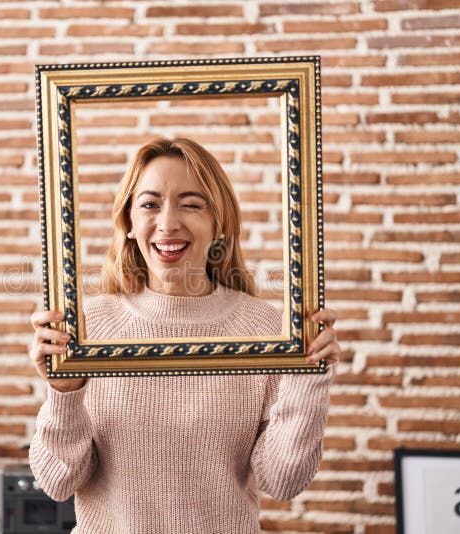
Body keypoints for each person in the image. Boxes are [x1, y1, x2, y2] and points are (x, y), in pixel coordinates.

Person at [29, 137, 340, 534]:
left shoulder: (268, 330)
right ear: (127, 223)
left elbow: (283, 481)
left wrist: (308, 378)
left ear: (219, 223)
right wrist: (64, 393)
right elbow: (56, 482)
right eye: (149, 204)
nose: (168, 222)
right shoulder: (89, 328)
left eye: (191, 203)